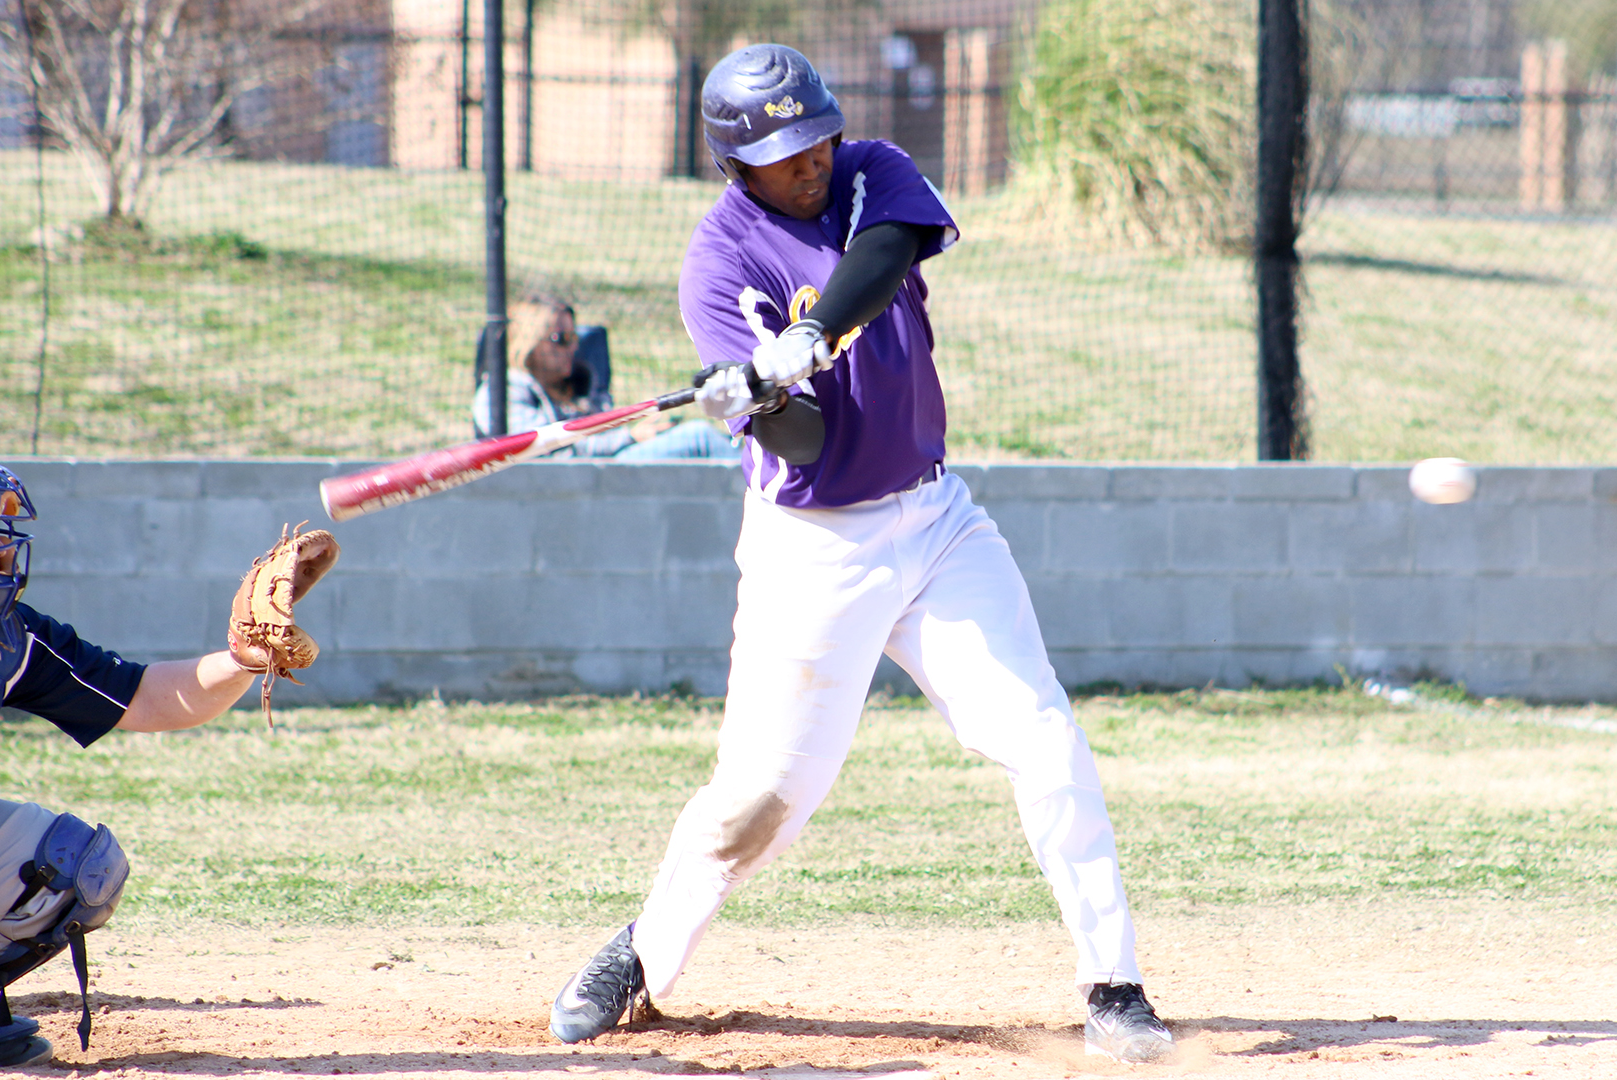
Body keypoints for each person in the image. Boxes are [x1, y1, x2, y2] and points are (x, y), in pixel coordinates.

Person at [547, 44, 1175, 1064]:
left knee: (1045, 737)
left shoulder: (871, 171)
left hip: (936, 522)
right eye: (787, 153)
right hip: (815, 550)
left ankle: (1115, 985)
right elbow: (806, 444)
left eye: (817, 137)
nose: (813, 162)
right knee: (762, 803)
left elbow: (887, 256)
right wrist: (750, 393)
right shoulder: (721, 264)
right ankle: (643, 956)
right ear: (735, 164)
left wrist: (812, 338)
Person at [0, 459, 329, 1067]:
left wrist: (245, 656)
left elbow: (147, 695)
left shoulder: (8, 637)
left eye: (3, 531)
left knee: (74, 868)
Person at [472, 295, 739, 461]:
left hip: (602, 469)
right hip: (575, 481)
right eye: (561, 339)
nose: (573, 347)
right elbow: (552, 452)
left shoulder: (577, 383)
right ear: (529, 343)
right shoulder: (501, 393)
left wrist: (641, 429)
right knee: (698, 438)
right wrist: (631, 437)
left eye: (573, 338)